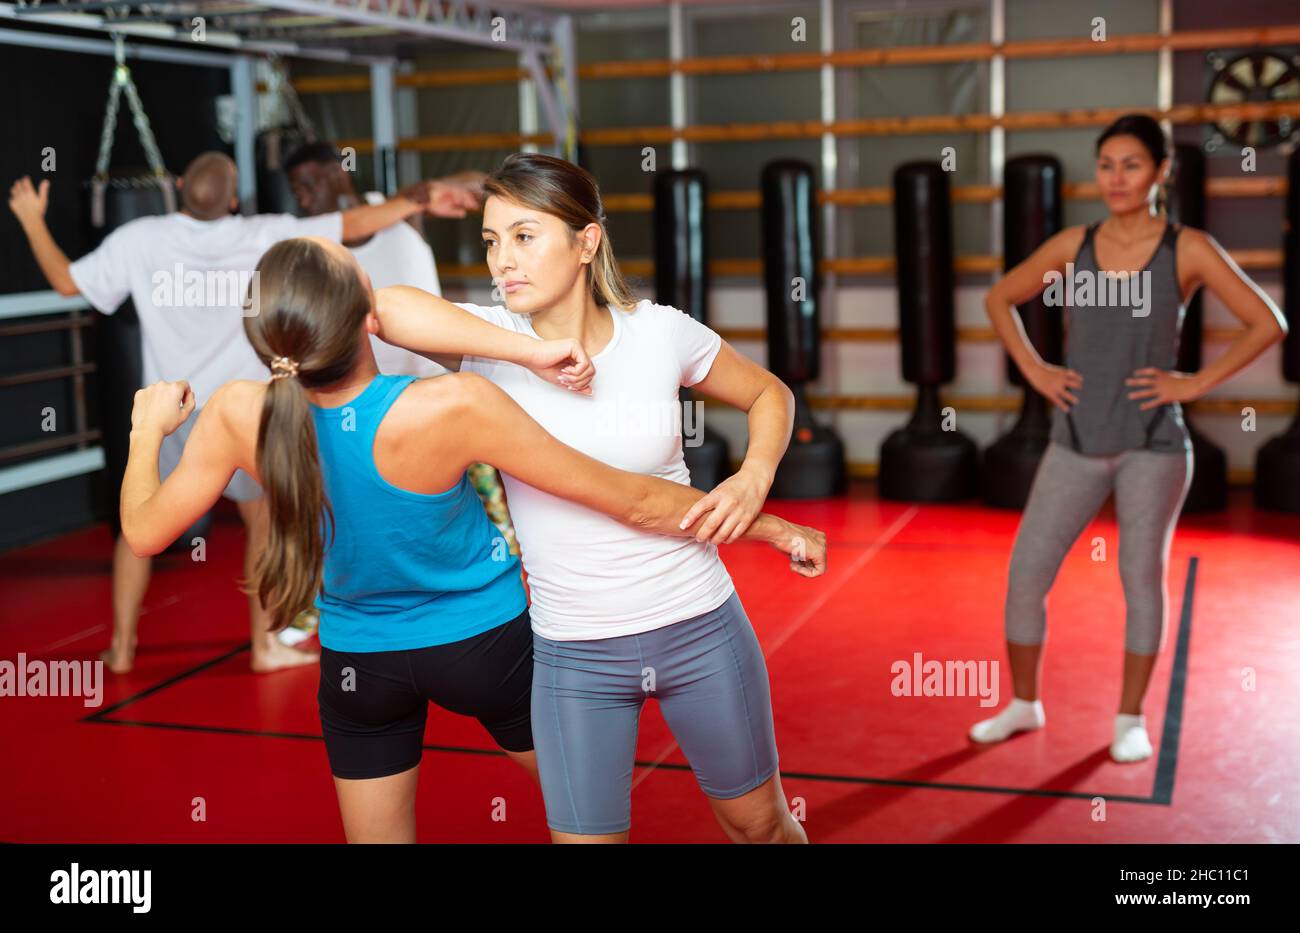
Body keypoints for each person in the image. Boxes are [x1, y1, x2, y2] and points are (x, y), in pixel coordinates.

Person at [118, 234, 824, 842]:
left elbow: (143, 532)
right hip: (485, 648)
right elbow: (631, 498)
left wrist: (145, 430)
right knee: (593, 817)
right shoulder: (450, 406)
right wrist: (768, 523)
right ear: (367, 315)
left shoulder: (243, 413)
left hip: (361, 666)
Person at [375, 152, 819, 843]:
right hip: (574, 652)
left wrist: (752, 477)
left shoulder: (658, 332)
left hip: (698, 622)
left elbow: (771, 394)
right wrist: (524, 354)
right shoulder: (490, 348)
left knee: (760, 825)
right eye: (492, 241)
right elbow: (381, 309)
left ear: (586, 242)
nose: (502, 261)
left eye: (525, 236)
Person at [7, 151, 471, 674]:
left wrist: (30, 219)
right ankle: (264, 646)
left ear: (178, 185)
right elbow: (355, 222)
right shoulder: (263, 232)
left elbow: (67, 282)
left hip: (172, 411)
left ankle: (120, 648)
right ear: (233, 200)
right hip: (242, 415)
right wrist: (419, 196)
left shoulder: (138, 238)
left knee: (137, 531)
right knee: (261, 524)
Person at [973, 113, 1287, 762]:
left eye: (1133, 164)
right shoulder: (1074, 245)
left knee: (1140, 579)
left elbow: (1269, 321)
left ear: (1161, 171)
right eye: (1107, 164)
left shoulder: (1187, 247)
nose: (1117, 178)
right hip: (1076, 436)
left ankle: (1128, 717)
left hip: (1154, 444)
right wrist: (1034, 369)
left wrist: (1194, 382)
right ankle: (1024, 703)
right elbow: (1000, 297)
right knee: (1026, 573)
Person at [282, 142, 519, 562]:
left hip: (436, 378)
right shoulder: (311, 239)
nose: (302, 196)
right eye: (295, 189)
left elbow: (475, 185)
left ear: (340, 173)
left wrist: (449, 187)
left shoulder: (398, 207)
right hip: (366, 396)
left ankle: (510, 566)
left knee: (487, 497)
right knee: (372, 511)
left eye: (309, 183)